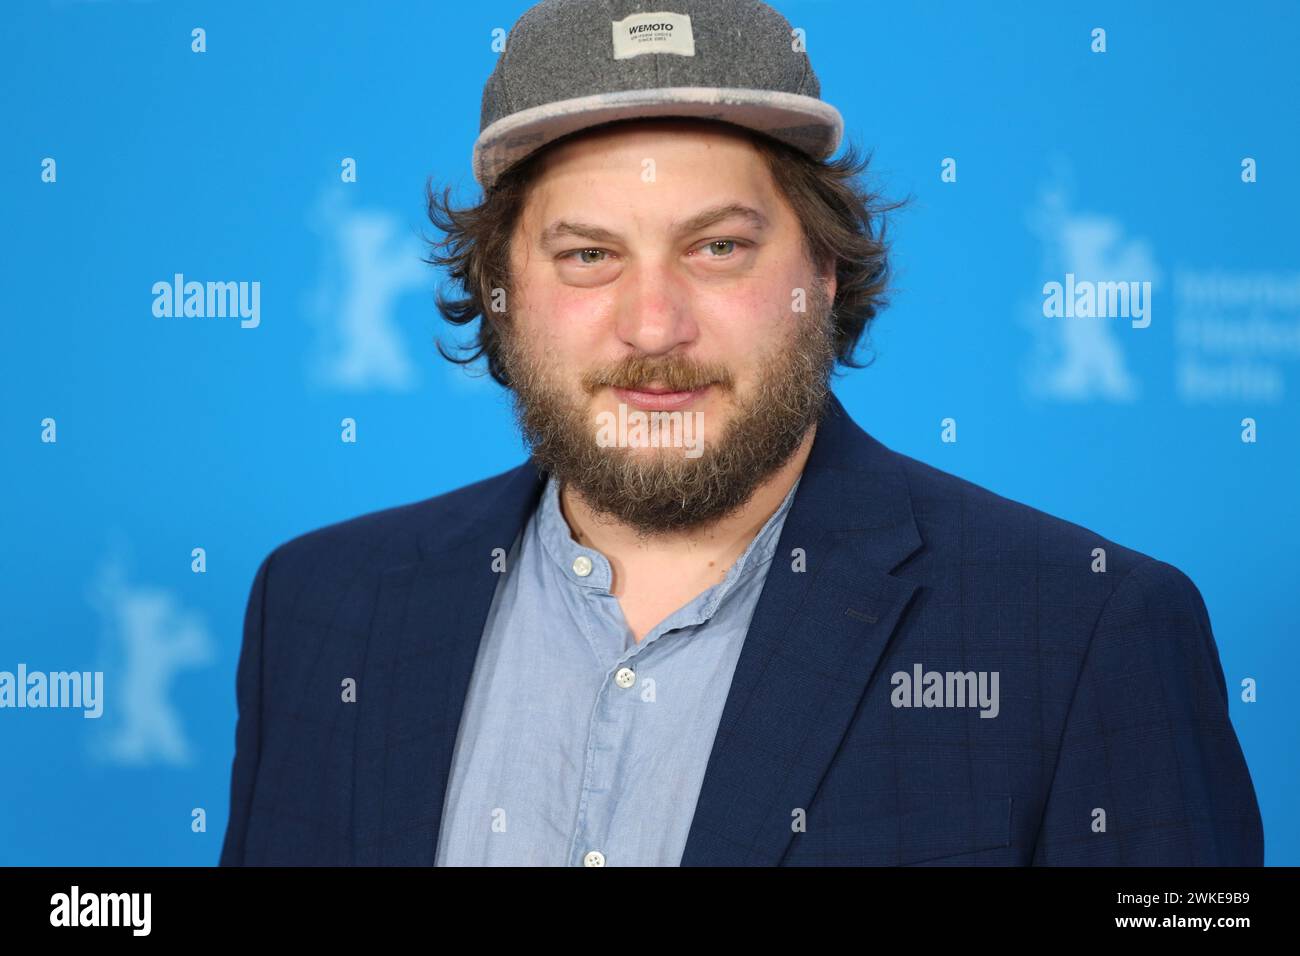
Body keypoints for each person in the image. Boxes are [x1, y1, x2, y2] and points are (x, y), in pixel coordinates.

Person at [219, 0, 1263, 866]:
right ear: (499, 294)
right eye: (587, 255)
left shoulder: (1086, 631)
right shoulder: (321, 610)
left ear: (824, 273)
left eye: (717, 246)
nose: (653, 323)